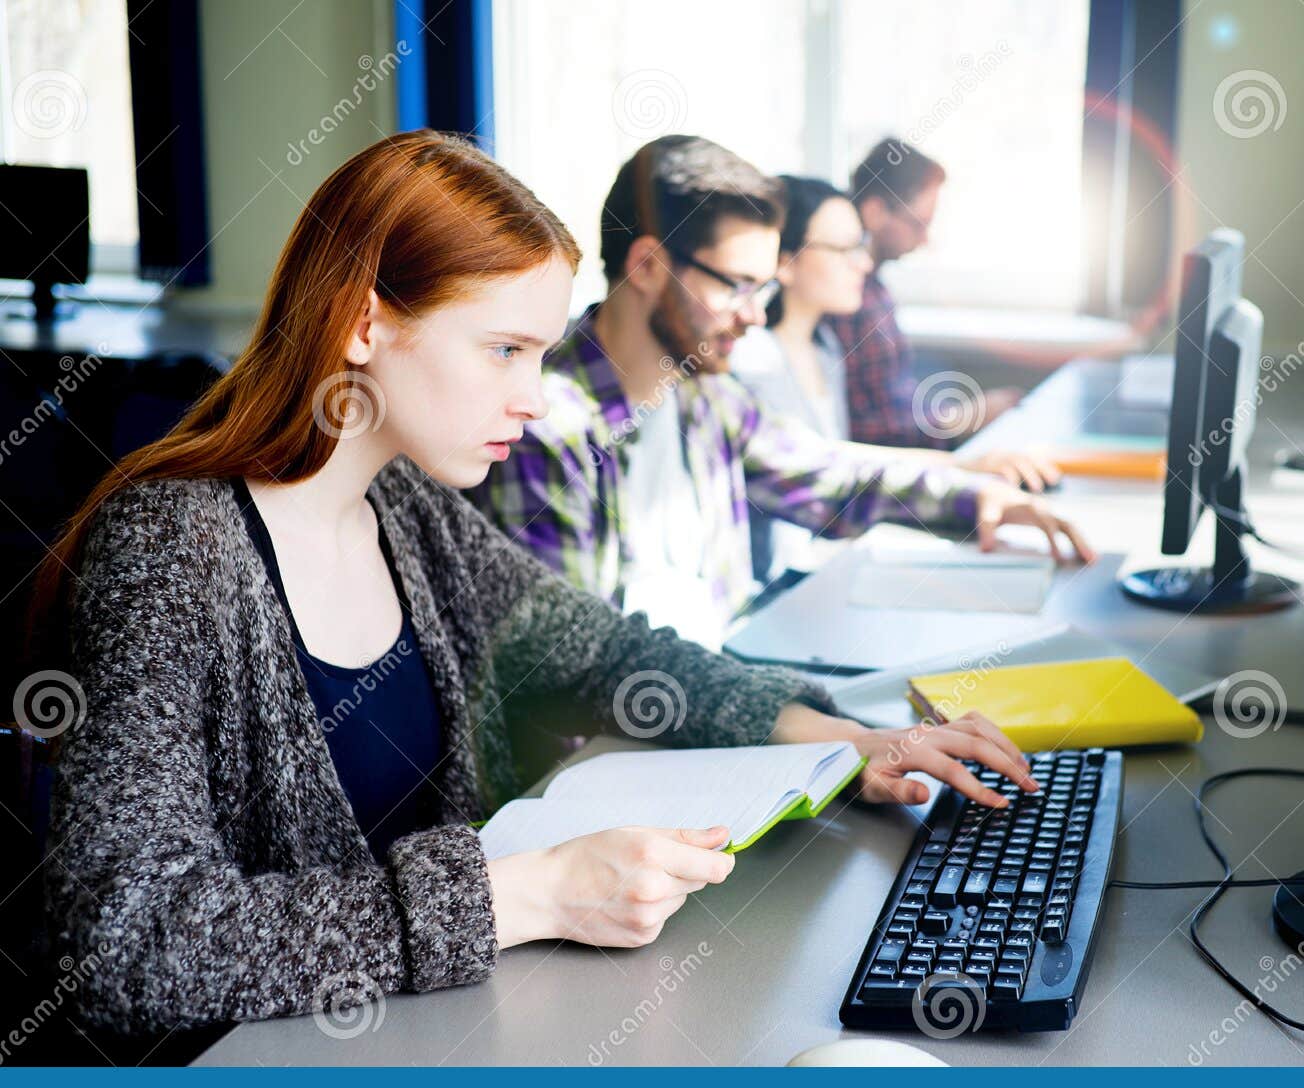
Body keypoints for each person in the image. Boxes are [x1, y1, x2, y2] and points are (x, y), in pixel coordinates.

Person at [30, 130, 1044, 1038]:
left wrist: (846, 742)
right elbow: (129, 940)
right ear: (362, 326)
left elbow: (609, 652)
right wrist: (528, 896)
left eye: (542, 352)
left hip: (428, 1038)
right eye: (505, 349)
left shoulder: (408, 511)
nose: (531, 395)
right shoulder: (172, 547)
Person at [472, 135, 1091, 647]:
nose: (756, 315)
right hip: (622, 757)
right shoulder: (546, 432)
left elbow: (832, 477)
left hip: (716, 709)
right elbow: (580, 669)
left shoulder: (702, 397)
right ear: (649, 266)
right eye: (738, 285)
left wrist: (975, 494)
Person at [731, 174, 1063, 578]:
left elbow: (843, 457)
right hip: (786, 576)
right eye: (844, 249)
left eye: (861, 246)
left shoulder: (825, 347)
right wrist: (960, 468)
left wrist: (965, 468)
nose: (864, 262)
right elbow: (830, 471)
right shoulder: (752, 365)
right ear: (784, 261)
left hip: (830, 558)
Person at [831, 137, 1021, 448]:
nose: (924, 241)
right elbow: (871, 437)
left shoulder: (875, 290)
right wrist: (959, 420)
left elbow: (893, 404)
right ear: (876, 211)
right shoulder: (848, 299)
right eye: (918, 225)